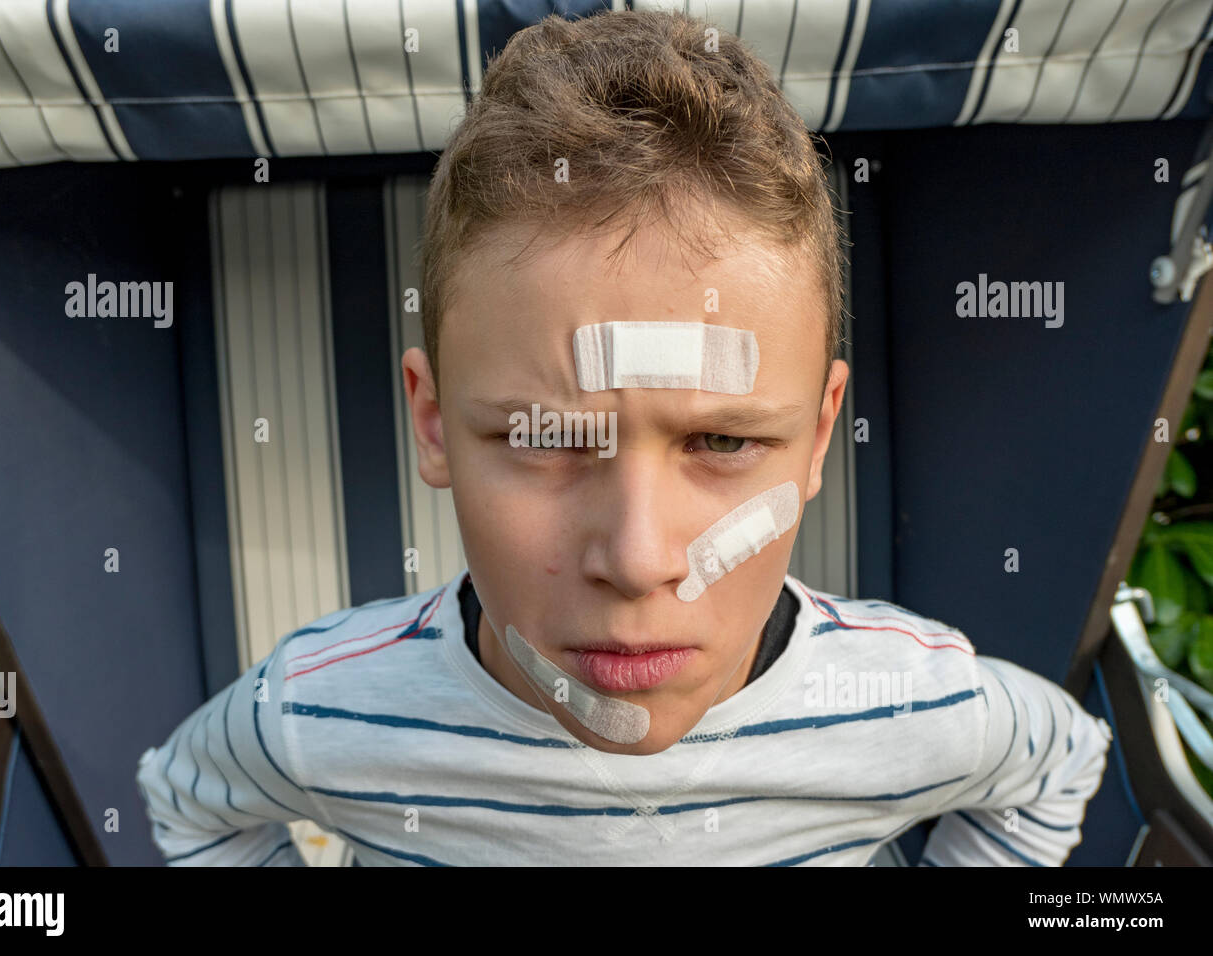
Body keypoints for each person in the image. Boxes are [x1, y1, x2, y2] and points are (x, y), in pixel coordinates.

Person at [135, 8, 1112, 866]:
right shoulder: (316, 709)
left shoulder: (915, 702)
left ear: (819, 435)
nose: (642, 560)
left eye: (722, 441)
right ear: (431, 422)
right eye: (547, 436)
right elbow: (189, 800)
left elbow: (1058, 762)